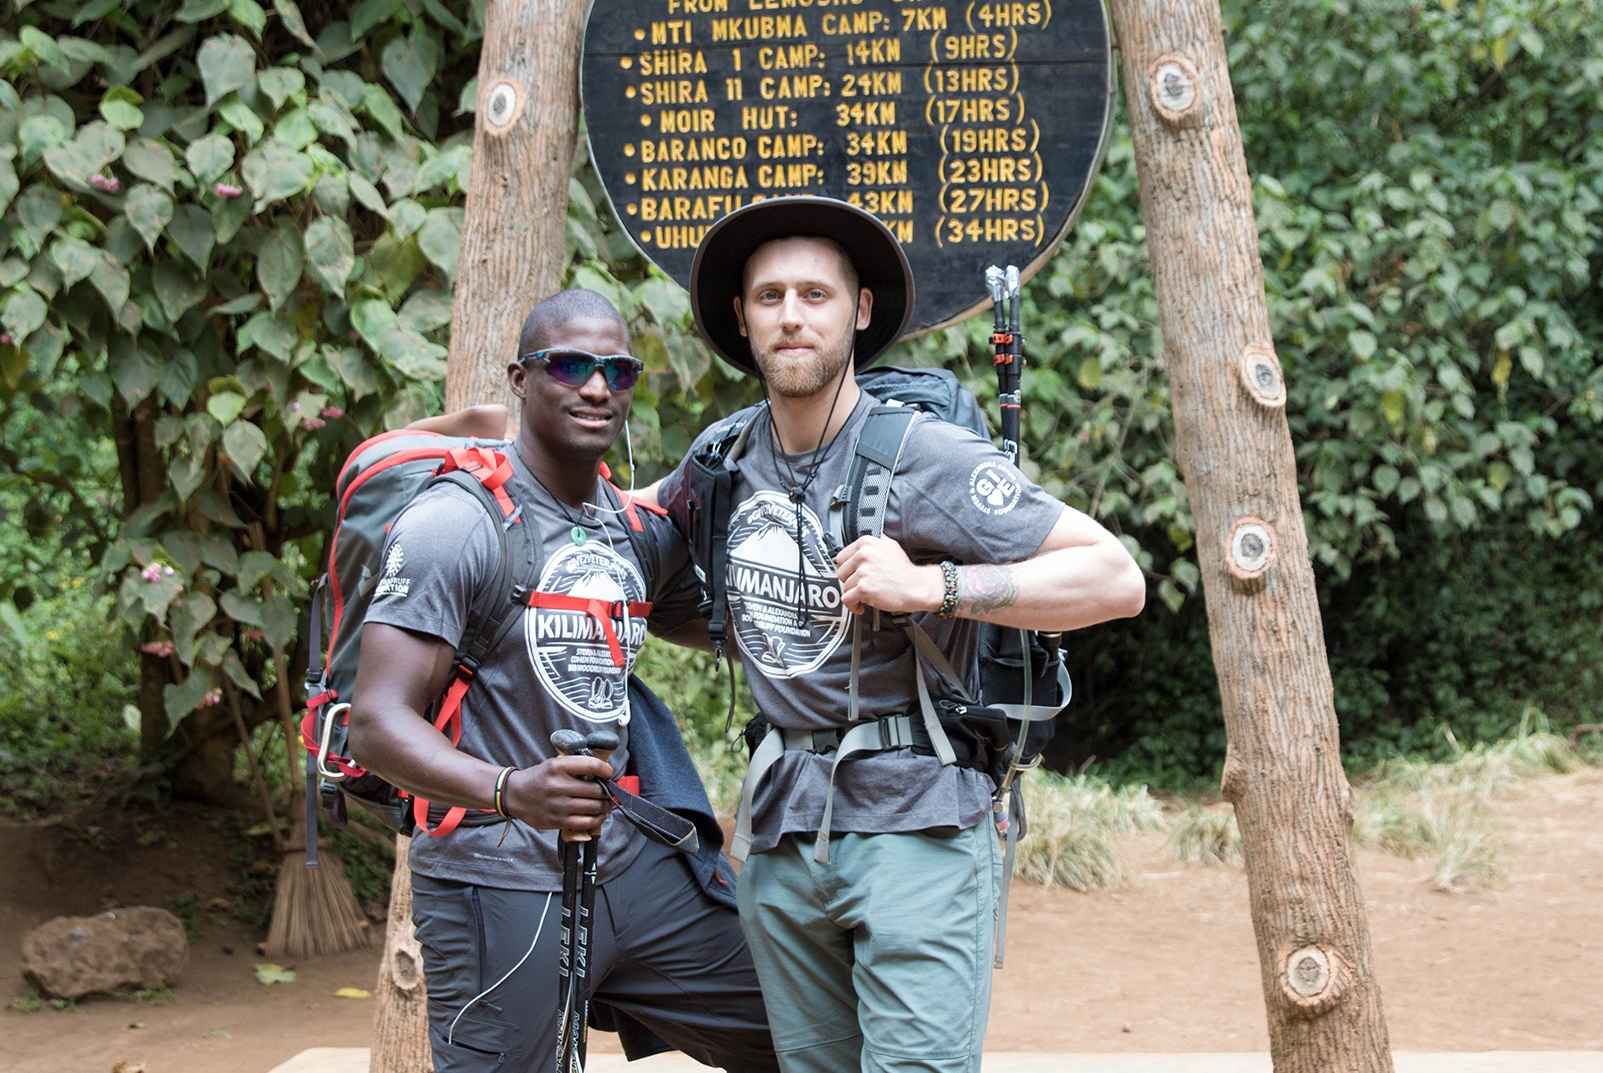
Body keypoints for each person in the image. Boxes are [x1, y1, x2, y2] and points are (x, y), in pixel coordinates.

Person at [649, 197, 1146, 1072]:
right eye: (769, 297)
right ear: (741, 316)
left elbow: (1114, 577)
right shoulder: (721, 460)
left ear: (860, 311)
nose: (792, 315)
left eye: (815, 294)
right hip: (781, 834)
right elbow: (625, 539)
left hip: (917, 825)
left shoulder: (923, 453)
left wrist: (933, 585)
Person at [351, 289, 779, 1073]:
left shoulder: (628, 529)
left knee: (807, 1026)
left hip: (627, 864)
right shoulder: (458, 523)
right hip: (496, 876)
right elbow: (375, 721)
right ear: (521, 378)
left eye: (616, 371)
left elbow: (749, 628)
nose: (595, 387)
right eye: (570, 365)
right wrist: (512, 789)